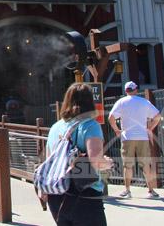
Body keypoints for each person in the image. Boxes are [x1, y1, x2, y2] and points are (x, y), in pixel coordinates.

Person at [45, 83, 112, 226]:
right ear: (89, 102)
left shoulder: (55, 127)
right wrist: (108, 163)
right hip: (84, 194)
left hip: (57, 196)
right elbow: (96, 161)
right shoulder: (90, 125)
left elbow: (49, 161)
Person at [108, 81, 162, 198]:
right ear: (136, 90)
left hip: (127, 137)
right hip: (142, 137)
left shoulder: (121, 102)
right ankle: (151, 190)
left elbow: (111, 117)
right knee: (146, 164)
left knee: (128, 165)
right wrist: (150, 128)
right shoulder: (144, 102)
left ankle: (127, 191)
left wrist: (117, 130)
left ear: (126, 91)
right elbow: (157, 116)